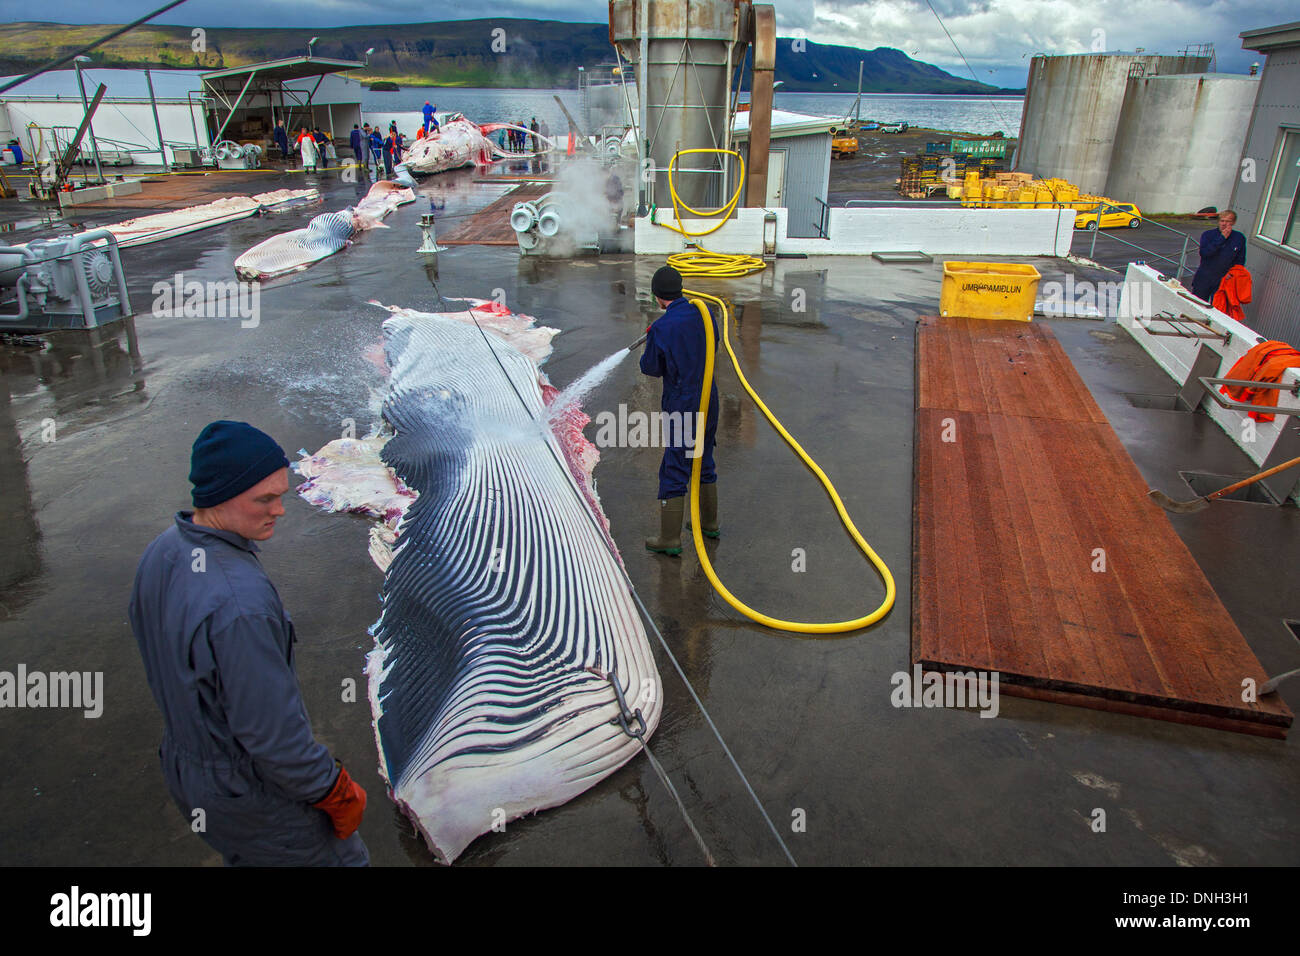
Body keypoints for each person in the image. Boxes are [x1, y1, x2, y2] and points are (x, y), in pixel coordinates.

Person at [129, 421, 368, 866]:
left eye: (279, 495)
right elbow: (273, 738)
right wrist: (331, 789)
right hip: (255, 795)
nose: (279, 510)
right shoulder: (241, 605)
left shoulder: (163, 552)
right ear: (221, 495)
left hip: (192, 770)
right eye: (265, 499)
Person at [640, 266, 720, 555]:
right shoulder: (705, 314)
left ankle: (669, 539)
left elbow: (649, 368)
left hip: (682, 405)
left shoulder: (662, 328)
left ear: (658, 298)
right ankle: (709, 524)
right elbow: (715, 346)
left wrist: (653, 340)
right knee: (704, 458)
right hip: (709, 400)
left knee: (675, 465)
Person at [1191, 210, 1246, 301]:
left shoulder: (1239, 238)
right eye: (1222, 221)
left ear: (1233, 223)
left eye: (1228, 221)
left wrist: (1232, 274)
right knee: (1197, 303)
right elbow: (1205, 253)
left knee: (1218, 308)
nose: (1224, 224)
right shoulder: (1208, 235)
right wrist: (1222, 238)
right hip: (1205, 277)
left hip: (1224, 279)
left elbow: (1240, 260)